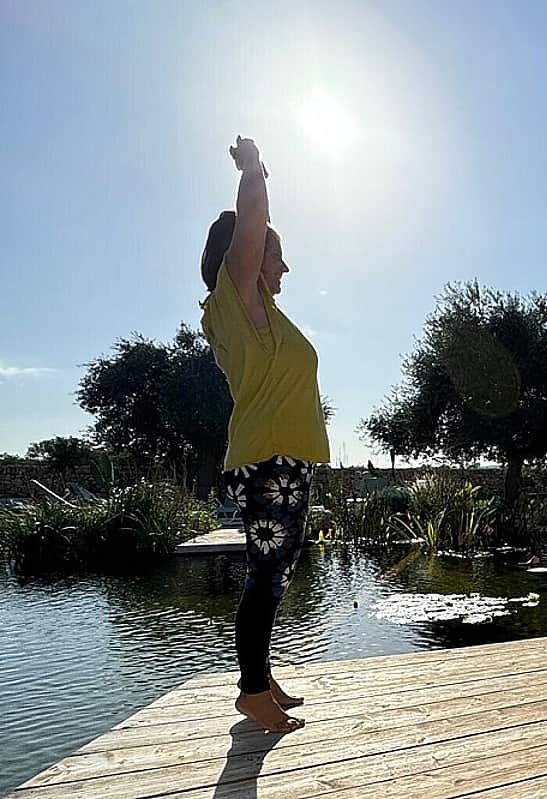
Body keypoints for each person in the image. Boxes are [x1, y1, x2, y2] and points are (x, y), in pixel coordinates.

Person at [199, 136, 331, 733]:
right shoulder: (236, 303)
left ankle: (260, 677)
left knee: (272, 576)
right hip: (267, 461)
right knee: (265, 578)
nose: (284, 266)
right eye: (276, 255)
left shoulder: (264, 316)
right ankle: (253, 692)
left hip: (281, 461)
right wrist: (254, 172)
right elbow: (249, 226)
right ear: (248, 261)